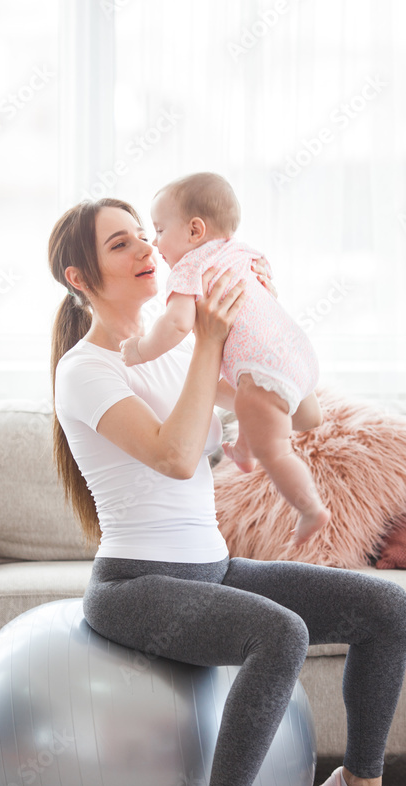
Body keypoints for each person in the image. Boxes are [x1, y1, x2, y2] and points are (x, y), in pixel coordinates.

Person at [49, 196, 406, 786]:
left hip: (211, 569)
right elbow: (176, 453)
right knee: (278, 633)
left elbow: (299, 415)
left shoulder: (176, 350)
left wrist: (267, 328)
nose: (145, 251)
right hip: (134, 586)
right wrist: (209, 343)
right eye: (120, 245)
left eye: (141, 236)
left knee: (386, 608)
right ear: (79, 277)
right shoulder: (85, 371)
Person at [119, 172, 331, 547]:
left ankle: (311, 507)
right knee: (252, 402)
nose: (154, 245)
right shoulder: (241, 251)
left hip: (267, 366)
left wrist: (141, 349)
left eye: (157, 230)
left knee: (275, 451)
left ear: (195, 231)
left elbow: (177, 322)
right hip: (297, 351)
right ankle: (245, 448)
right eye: (122, 243)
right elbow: (305, 415)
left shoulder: (189, 267)